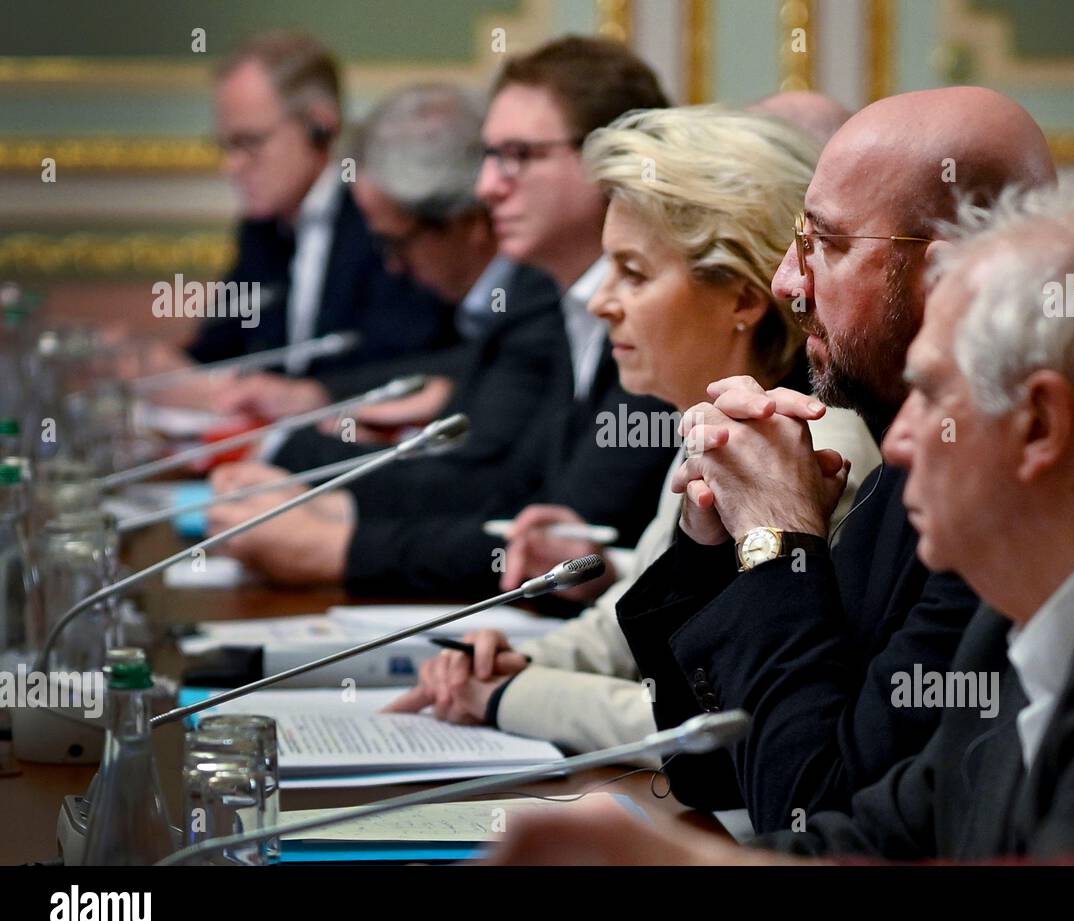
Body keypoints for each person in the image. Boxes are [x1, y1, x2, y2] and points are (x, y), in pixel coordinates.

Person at [486, 188, 1074, 864]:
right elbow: (879, 838)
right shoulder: (1039, 604)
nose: (904, 441)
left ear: (1041, 424)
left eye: (934, 397)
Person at [613, 87, 1054, 832]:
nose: (789, 280)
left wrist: (780, 537)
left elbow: (811, 810)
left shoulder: (1000, 519)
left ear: (942, 278)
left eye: (826, 244)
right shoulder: (898, 467)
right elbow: (708, 762)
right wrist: (714, 535)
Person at [383, 107, 876, 758]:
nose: (599, 300)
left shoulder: (807, 442)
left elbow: (719, 718)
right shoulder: (713, 419)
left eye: (634, 273)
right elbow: (621, 630)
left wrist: (506, 696)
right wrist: (501, 661)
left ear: (742, 297)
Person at [209, 37, 678, 602]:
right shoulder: (558, 300)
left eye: (520, 156)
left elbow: (566, 540)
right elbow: (508, 493)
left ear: (614, 160)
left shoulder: (661, 318)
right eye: (489, 157)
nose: (485, 188)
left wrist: (336, 545)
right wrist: (333, 503)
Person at [125, 32, 449, 411]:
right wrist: (158, 365)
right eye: (224, 145)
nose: (230, 165)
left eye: (249, 142)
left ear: (321, 125)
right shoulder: (261, 229)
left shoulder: (383, 219)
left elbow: (415, 365)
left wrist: (311, 396)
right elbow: (222, 349)